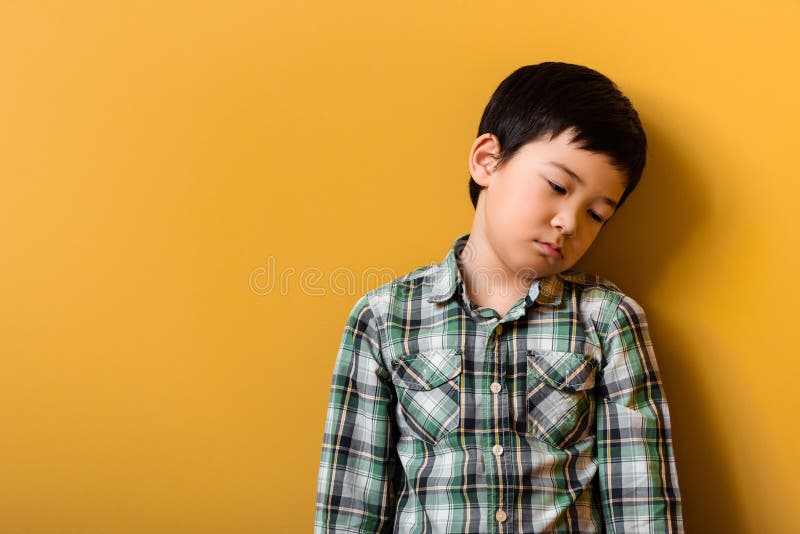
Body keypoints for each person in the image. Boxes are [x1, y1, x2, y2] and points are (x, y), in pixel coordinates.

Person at [314, 61, 683, 533]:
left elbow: (642, 503)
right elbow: (350, 505)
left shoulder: (608, 320)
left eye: (595, 214)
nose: (569, 223)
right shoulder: (385, 318)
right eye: (556, 186)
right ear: (487, 161)